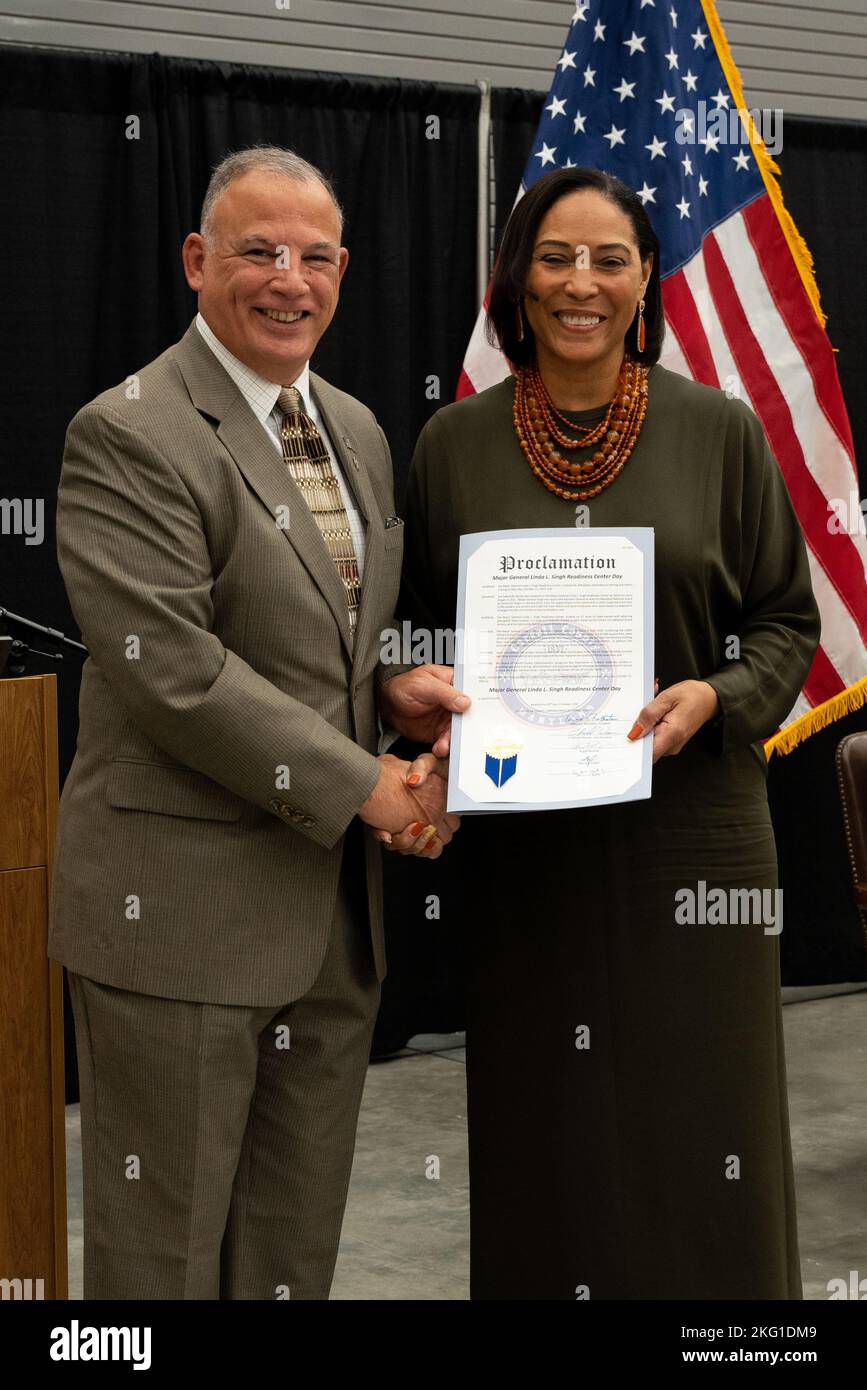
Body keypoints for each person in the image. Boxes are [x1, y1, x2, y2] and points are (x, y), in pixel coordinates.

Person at [395, 167, 821, 1299]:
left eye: (610, 259)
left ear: (645, 283)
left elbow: (787, 620)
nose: (581, 282)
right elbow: (413, 636)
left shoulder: (720, 432)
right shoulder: (451, 443)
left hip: (697, 850)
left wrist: (715, 701)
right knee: (554, 1142)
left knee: (704, 1141)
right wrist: (415, 699)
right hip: (532, 856)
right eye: (555, 256)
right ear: (518, 281)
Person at [49, 144, 461, 1300]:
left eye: (315, 255)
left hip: (329, 919)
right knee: (161, 1258)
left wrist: (389, 684)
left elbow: (319, 633)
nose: (290, 279)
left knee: (289, 1250)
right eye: (258, 251)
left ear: (343, 268)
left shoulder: (362, 431)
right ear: (196, 261)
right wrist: (369, 785)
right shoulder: (128, 431)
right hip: (177, 917)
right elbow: (174, 669)